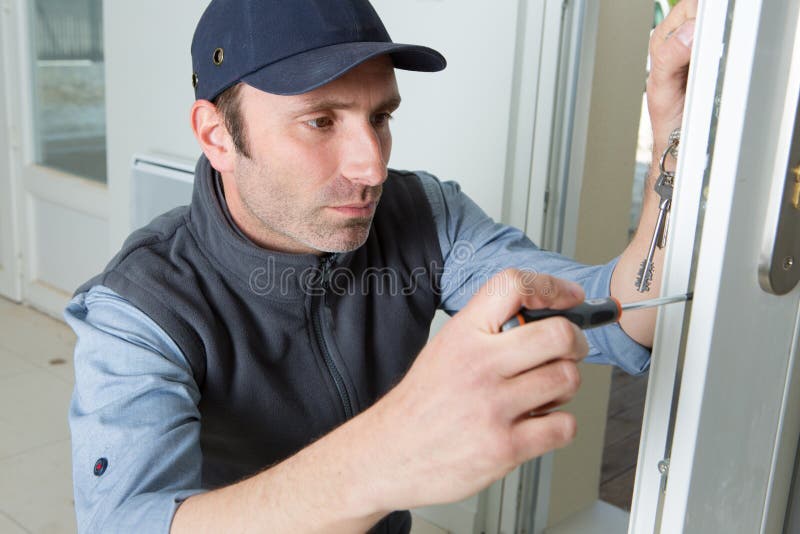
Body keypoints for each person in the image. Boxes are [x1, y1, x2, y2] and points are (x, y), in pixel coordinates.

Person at [66, 0, 696, 532]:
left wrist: (675, 142)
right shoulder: (139, 307)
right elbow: (131, 521)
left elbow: (624, 315)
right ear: (217, 136)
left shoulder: (426, 213)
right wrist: (384, 453)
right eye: (320, 121)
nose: (372, 167)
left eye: (380, 117)